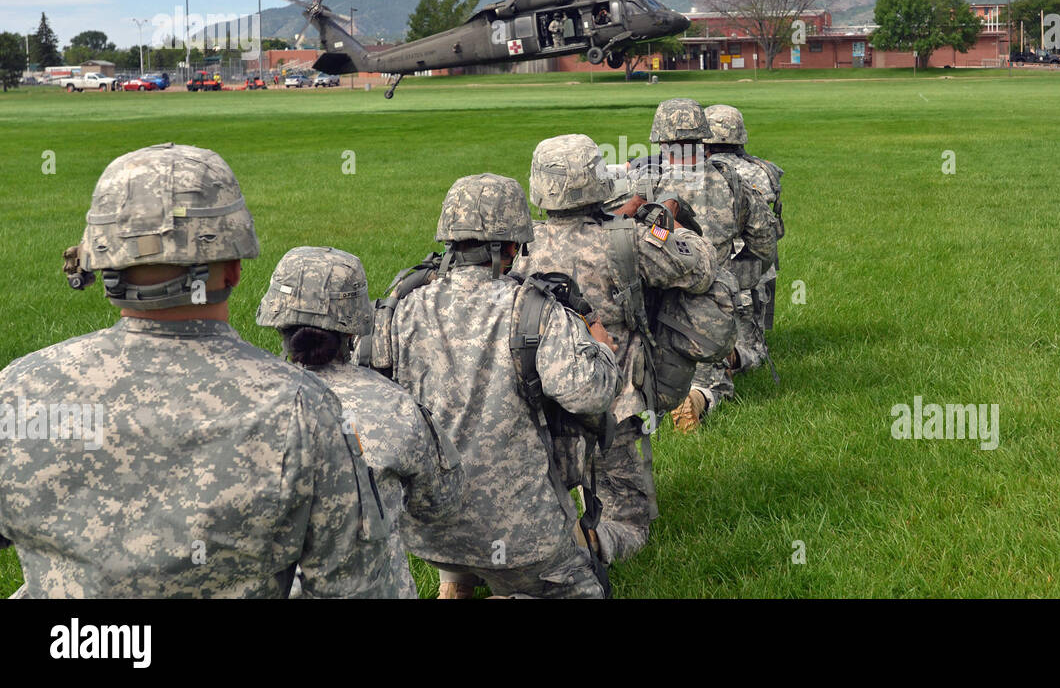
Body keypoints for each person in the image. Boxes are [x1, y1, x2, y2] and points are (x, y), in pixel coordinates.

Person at [0, 143, 397, 598]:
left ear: (104, 265)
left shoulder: (18, 390)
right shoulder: (303, 408)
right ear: (233, 268)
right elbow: (356, 587)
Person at [379, 173, 622, 598]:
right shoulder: (535, 310)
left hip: (426, 533)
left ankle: (455, 582)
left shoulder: (401, 306)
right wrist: (601, 347)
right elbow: (592, 393)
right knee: (587, 591)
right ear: (512, 247)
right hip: (523, 537)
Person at [515, 134, 715, 564]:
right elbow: (701, 267)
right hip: (615, 405)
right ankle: (582, 548)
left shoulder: (518, 247)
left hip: (539, 401)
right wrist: (666, 218)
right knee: (630, 523)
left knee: (541, 493)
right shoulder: (627, 240)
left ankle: (482, 565)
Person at [255, 246, 463, 598]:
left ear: (278, 318)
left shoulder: (245, 403)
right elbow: (442, 502)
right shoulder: (397, 405)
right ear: (355, 326)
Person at [628, 99, 777, 431]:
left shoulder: (645, 186)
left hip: (652, 318)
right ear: (703, 138)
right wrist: (731, 280)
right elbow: (765, 246)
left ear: (661, 140)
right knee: (714, 382)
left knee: (647, 376)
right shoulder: (732, 182)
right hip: (712, 313)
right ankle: (696, 398)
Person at [703, 104, 785, 372]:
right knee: (753, 345)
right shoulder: (764, 170)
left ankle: (717, 362)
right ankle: (736, 358)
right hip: (755, 268)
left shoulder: (701, 172)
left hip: (712, 267)